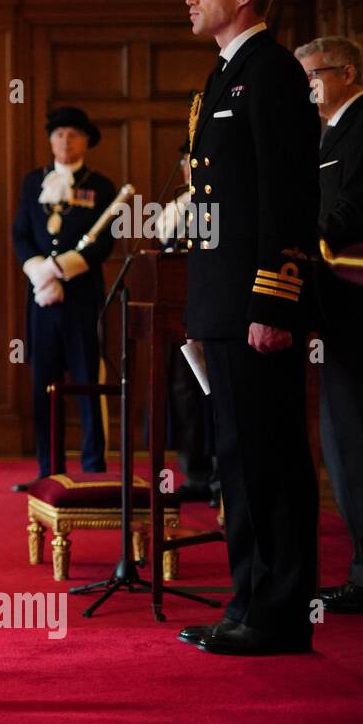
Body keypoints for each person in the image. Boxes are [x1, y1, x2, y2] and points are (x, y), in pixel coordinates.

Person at [176, 0, 321, 655]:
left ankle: (280, 611)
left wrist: (273, 301)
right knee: (235, 457)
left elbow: (288, 199)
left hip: (255, 304)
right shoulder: (222, 76)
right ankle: (247, 602)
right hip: (222, 302)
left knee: (270, 457)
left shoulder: (272, 74)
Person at [295, 35, 363, 614]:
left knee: (353, 436)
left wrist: (305, 239)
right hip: (337, 300)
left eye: (314, 75)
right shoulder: (329, 129)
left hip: (357, 300)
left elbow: (354, 206)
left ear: (346, 72)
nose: (308, 86)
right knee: (344, 438)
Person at [10, 106, 116, 491]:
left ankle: (93, 467)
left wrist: (62, 269)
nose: (64, 141)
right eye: (58, 134)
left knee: (88, 379)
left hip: (81, 300)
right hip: (41, 299)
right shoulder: (32, 182)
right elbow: (21, 234)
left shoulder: (102, 186)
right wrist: (38, 270)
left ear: (86, 140)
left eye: (72, 134)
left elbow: (104, 243)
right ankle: (48, 468)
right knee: (45, 384)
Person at [154, 140, 218, 505]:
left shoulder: (221, 205)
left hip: (216, 317)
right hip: (179, 317)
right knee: (185, 394)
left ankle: (220, 478)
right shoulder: (174, 209)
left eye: (197, 162)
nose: (190, 169)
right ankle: (193, 473)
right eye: (186, 163)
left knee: (215, 395)